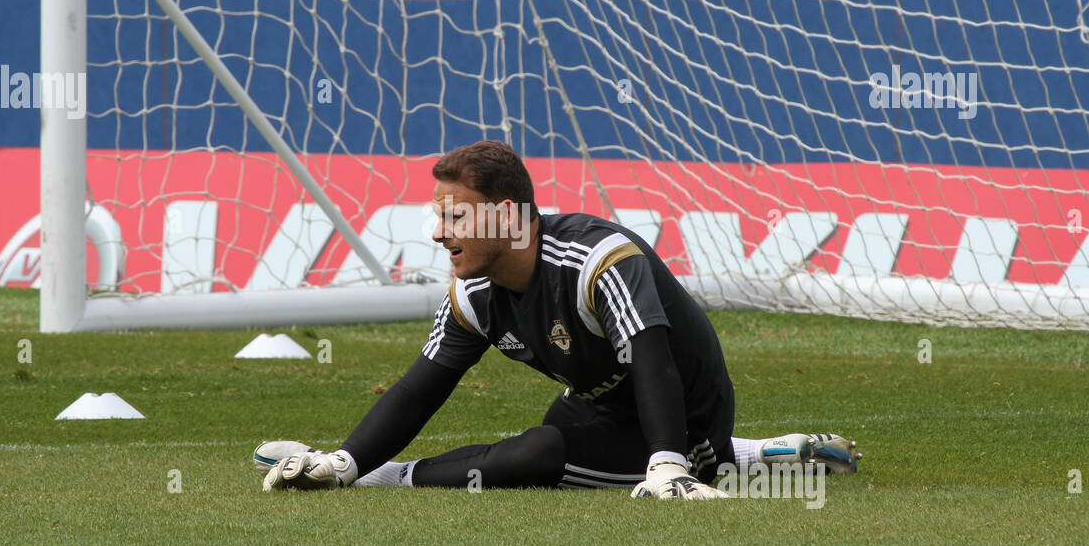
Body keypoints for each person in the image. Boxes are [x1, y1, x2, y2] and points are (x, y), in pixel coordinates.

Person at [257, 140, 859, 500]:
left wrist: (669, 465)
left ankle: (709, 459)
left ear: (511, 218)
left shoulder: (596, 258)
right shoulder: (476, 291)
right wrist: (342, 461)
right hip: (598, 411)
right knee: (545, 441)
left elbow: (654, 357)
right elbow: (421, 388)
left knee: (535, 459)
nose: (439, 233)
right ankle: (755, 458)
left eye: (457, 217)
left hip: (685, 410)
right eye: (437, 216)